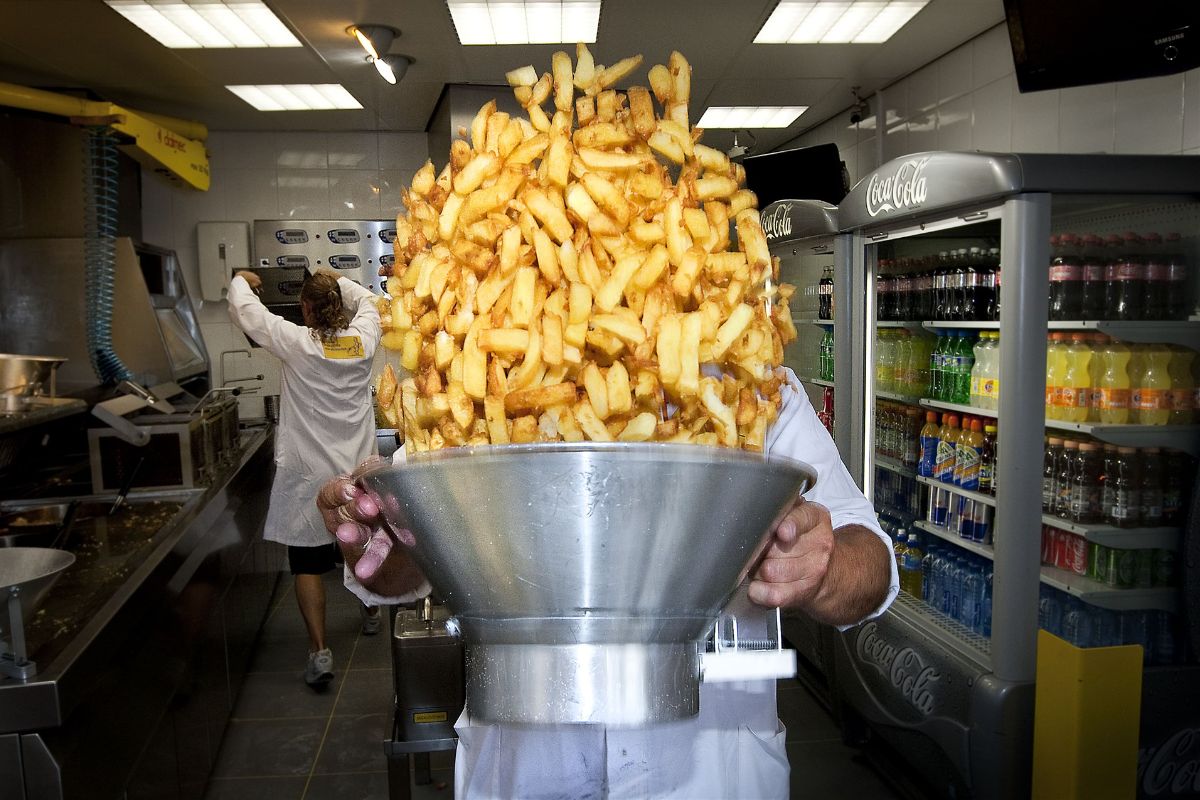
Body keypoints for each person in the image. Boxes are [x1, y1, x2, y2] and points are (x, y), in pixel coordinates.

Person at [317, 367, 897, 796]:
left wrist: (820, 568)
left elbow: (872, 566)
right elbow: (403, 567)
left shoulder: (754, 382)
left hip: (710, 771)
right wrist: (381, 535)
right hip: (525, 767)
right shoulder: (468, 378)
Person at [228, 266, 384, 690]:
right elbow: (370, 302)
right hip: (355, 468)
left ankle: (319, 651)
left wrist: (243, 280)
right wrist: (340, 281)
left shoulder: (297, 342)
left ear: (306, 309)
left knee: (308, 562)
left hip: (309, 474)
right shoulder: (362, 339)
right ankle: (371, 612)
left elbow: (248, 313)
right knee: (358, 545)